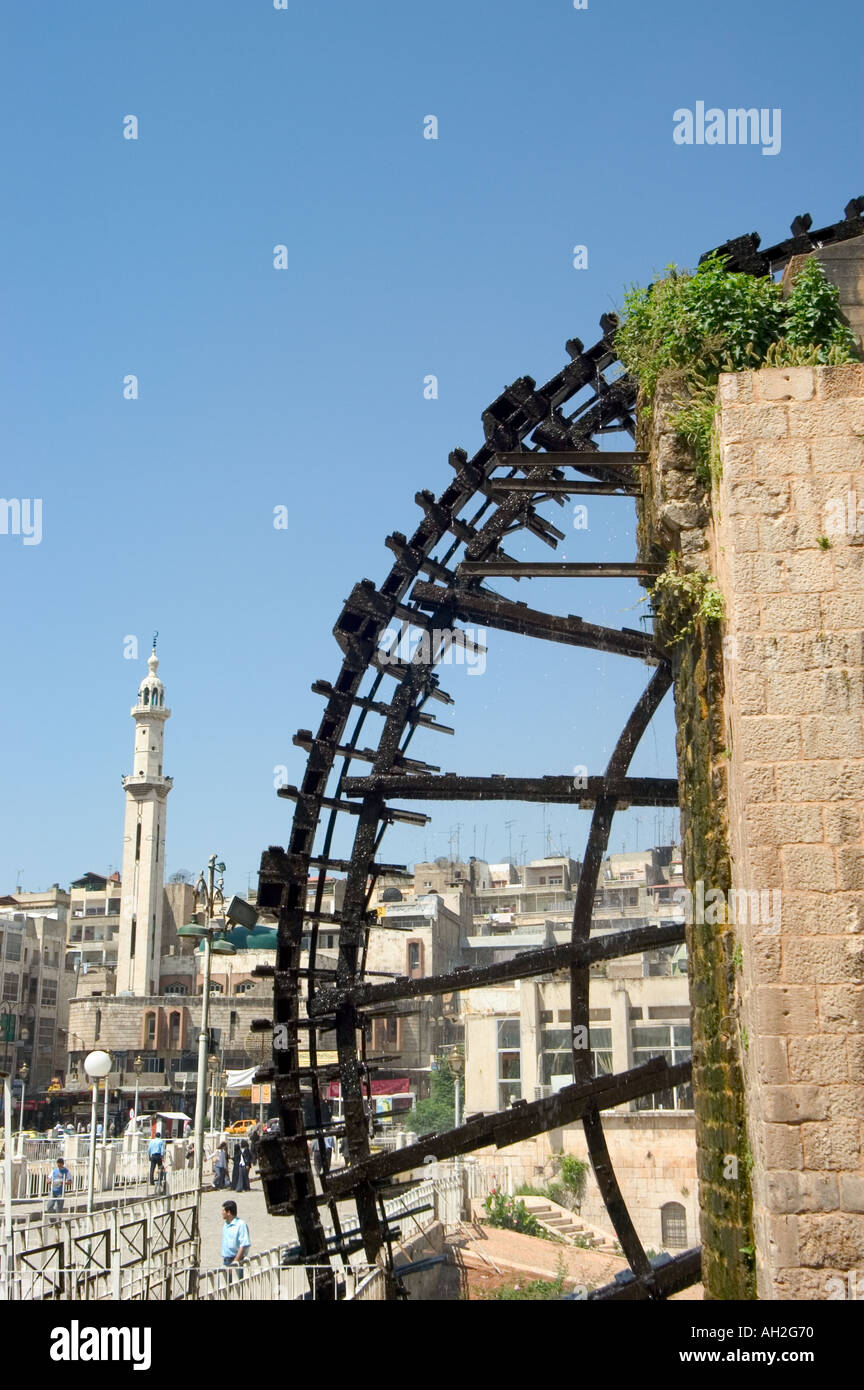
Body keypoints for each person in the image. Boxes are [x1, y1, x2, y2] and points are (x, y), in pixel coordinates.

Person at [221, 1200, 250, 1281]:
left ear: (228, 1212)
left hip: (236, 1260)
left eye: (223, 1210)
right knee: (224, 1288)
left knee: (237, 1287)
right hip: (226, 1260)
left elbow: (244, 1244)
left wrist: (235, 1261)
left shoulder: (241, 1224)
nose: (221, 1212)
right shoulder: (226, 1224)